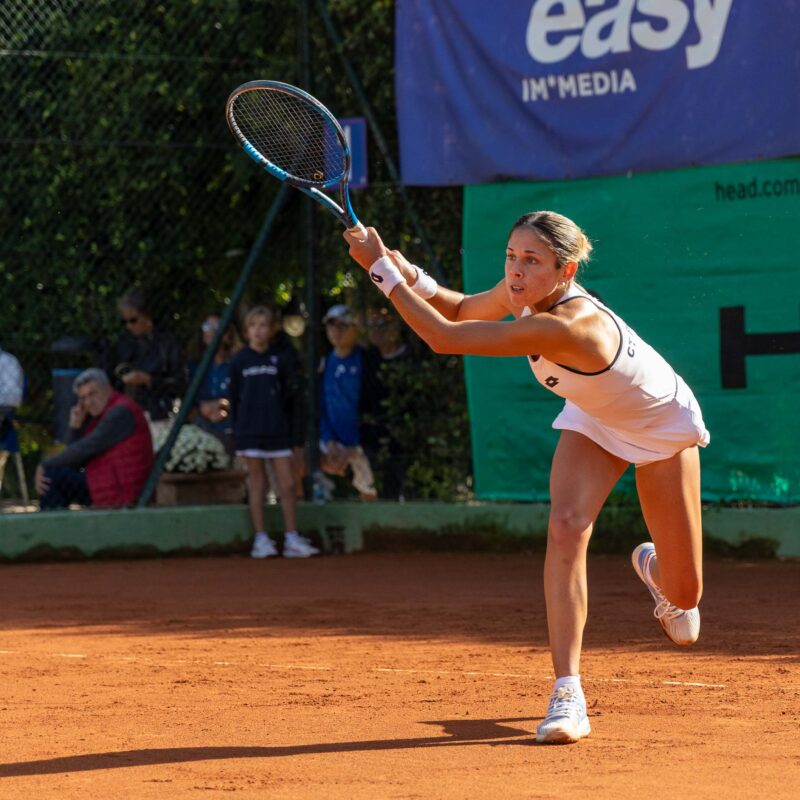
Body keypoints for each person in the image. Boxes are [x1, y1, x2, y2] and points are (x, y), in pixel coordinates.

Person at [344, 211, 709, 745]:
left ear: (566, 271)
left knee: (687, 595)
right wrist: (406, 270)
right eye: (512, 256)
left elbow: (447, 337)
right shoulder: (525, 293)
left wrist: (379, 270)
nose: (516, 270)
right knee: (565, 527)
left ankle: (658, 572)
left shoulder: (566, 325)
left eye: (531, 260)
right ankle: (568, 692)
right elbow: (464, 307)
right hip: (593, 415)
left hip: (659, 426)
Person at [228, 305, 318, 559]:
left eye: (263, 325)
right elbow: (234, 401)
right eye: (253, 326)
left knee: (288, 484)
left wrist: (295, 439)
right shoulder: (238, 362)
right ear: (247, 331)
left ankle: (291, 538)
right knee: (258, 483)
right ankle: (261, 539)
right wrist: (237, 433)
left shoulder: (280, 360)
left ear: (271, 330)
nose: (258, 330)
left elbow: (290, 400)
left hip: (277, 432)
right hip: (250, 433)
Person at [34, 368, 154, 509]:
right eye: (83, 398)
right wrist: (75, 427)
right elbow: (75, 460)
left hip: (123, 490)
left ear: (108, 388)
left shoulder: (121, 411)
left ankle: (50, 529)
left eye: (93, 394)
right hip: (106, 482)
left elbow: (86, 448)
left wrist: (45, 464)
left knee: (51, 476)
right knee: (54, 476)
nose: (89, 402)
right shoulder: (99, 416)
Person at [103, 287, 186, 432]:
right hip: (129, 412)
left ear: (147, 316)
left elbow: (180, 382)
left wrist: (149, 380)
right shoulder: (124, 343)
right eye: (125, 321)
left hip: (160, 413)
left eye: (133, 320)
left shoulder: (167, 343)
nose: (129, 326)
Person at [318, 304, 378, 501]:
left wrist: (356, 447)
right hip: (332, 447)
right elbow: (321, 405)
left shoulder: (368, 360)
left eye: (342, 326)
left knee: (370, 494)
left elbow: (374, 406)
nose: (336, 332)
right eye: (331, 326)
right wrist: (329, 440)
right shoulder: (324, 363)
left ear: (354, 329)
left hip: (363, 447)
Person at [362, 306, 410, 499]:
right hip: (374, 444)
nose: (376, 329)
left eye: (382, 324)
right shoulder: (367, 359)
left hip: (407, 444)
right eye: (372, 325)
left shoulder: (413, 357)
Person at [187, 314, 242, 456]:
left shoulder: (237, 363)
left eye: (216, 326)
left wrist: (224, 405)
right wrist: (202, 409)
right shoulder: (194, 366)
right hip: (202, 428)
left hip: (233, 428)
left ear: (227, 332)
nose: (210, 331)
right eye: (206, 326)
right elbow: (189, 402)